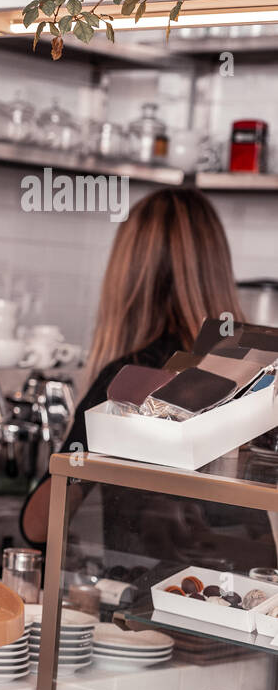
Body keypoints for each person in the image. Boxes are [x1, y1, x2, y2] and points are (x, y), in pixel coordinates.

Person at [20, 188, 274, 571]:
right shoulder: (260, 376)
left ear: (129, 276)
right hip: (246, 611)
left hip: (144, 606)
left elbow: (38, 526)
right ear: (218, 268)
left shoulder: (131, 377)